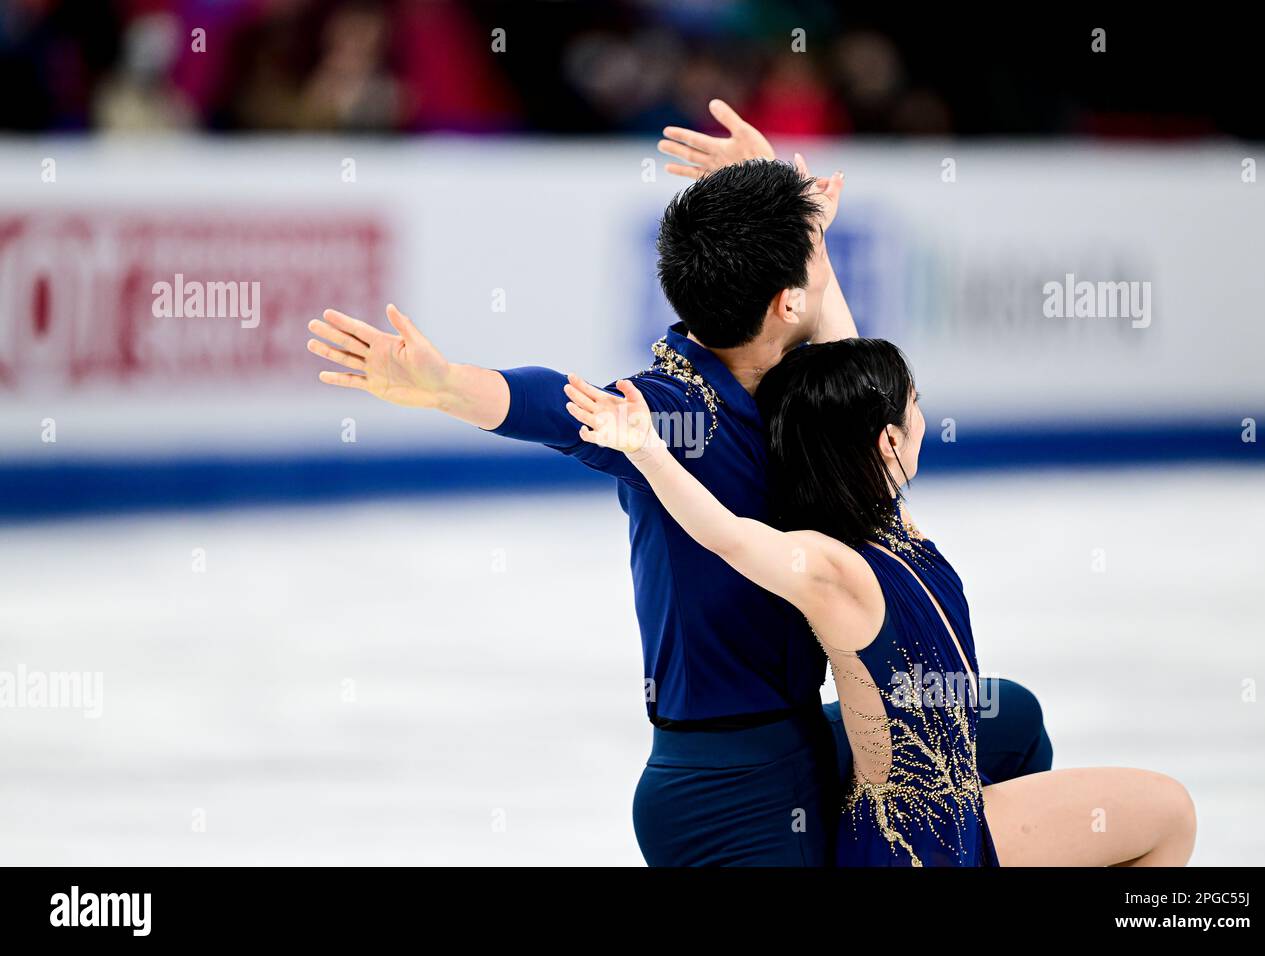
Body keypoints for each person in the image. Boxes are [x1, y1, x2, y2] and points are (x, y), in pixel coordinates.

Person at [306, 103, 1053, 865]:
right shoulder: (665, 412)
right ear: (784, 302)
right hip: (726, 786)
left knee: (1010, 722)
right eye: (817, 247)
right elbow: (550, 404)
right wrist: (447, 388)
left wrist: (772, 197)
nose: (827, 250)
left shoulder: (794, 376)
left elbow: (854, 370)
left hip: (796, 738)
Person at [562, 338, 1197, 866]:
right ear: (886, 442)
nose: (922, 415)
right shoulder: (840, 569)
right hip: (918, 842)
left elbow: (846, 357)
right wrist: (648, 450)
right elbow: (727, 537)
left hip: (941, 818)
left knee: (1078, 757)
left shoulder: (885, 518)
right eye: (914, 406)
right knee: (1169, 814)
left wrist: (814, 233)